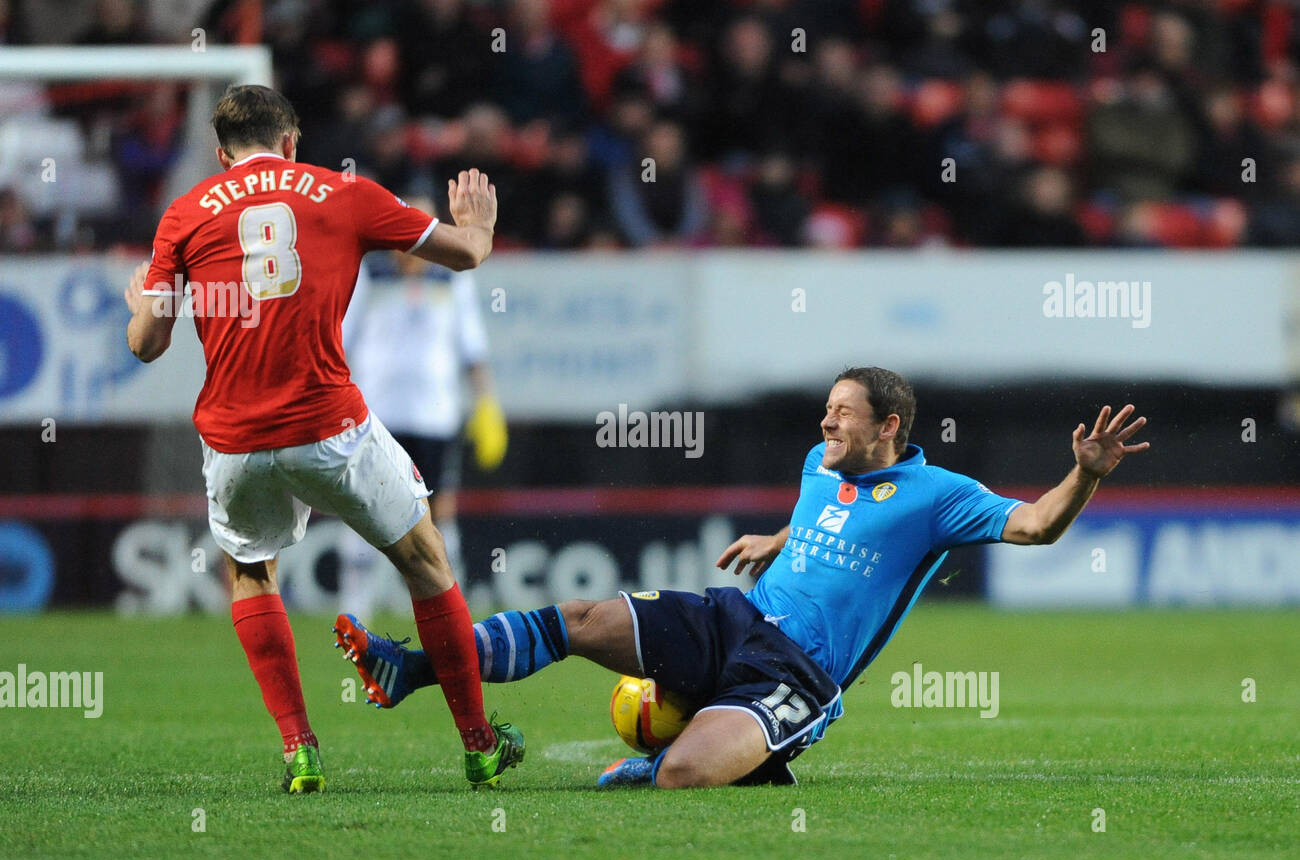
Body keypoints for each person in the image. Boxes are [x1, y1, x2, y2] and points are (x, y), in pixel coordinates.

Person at [335, 366, 1148, 788]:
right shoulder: (818, 466)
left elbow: (1037, 526)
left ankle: (715, 759)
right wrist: (781, 535)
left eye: (842, 411)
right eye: (826, 409)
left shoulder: (940, 497)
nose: (826, 421)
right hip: (736, 618)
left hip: (797, 673)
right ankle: (409, 668)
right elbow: (830, 514)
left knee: (684, 774)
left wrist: (1087, 475)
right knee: (579, 618)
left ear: (888, 425)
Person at [123, 84, 523, 794]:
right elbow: (463, 255)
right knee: (427, 562)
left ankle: (300, 749)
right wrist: (481, 227)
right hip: (329, 428)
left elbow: (147, 344)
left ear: (220, 155)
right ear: (291, 144)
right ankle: (478, 743)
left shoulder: (184, 214)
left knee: (250, 572)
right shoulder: (346, 193)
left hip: (236, 439)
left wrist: (138, 307)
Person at [338, 200, 507, 615]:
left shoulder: (450, 279)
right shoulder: (369, 274)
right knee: (365, 504)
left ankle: (449, 602)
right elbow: (340, 340)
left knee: (437, 513)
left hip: (435, 417)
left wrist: (486, 402)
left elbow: (472, 348)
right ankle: (354, 607)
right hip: (375, 416)